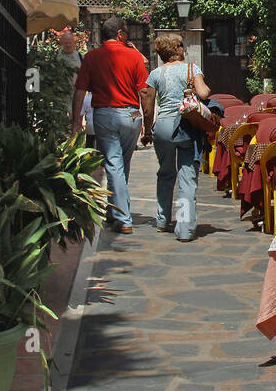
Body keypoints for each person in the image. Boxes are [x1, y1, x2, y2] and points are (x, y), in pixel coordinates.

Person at [73, 17, 148, 233]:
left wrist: (76, 120)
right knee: (121, 165)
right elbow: (144, 91)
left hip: (105, 114)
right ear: (121, 35)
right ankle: (118, 214)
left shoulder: (91, 57)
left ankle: (119, 215)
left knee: (114, 166)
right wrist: (148, 120)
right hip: (132, 114)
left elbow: (80, 91)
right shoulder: (134, 56)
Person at [140, 33, 214, 242]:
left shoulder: (154, 74)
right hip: (186, 126)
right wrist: (204, 87)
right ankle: (184, 229)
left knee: (165, 173)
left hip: (163, 126)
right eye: (182, 45)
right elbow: (203, 94)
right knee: (187, 178)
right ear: (177, 49)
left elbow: (148, 106)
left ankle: (162, 221)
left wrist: (147, 131)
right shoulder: (192, 69)